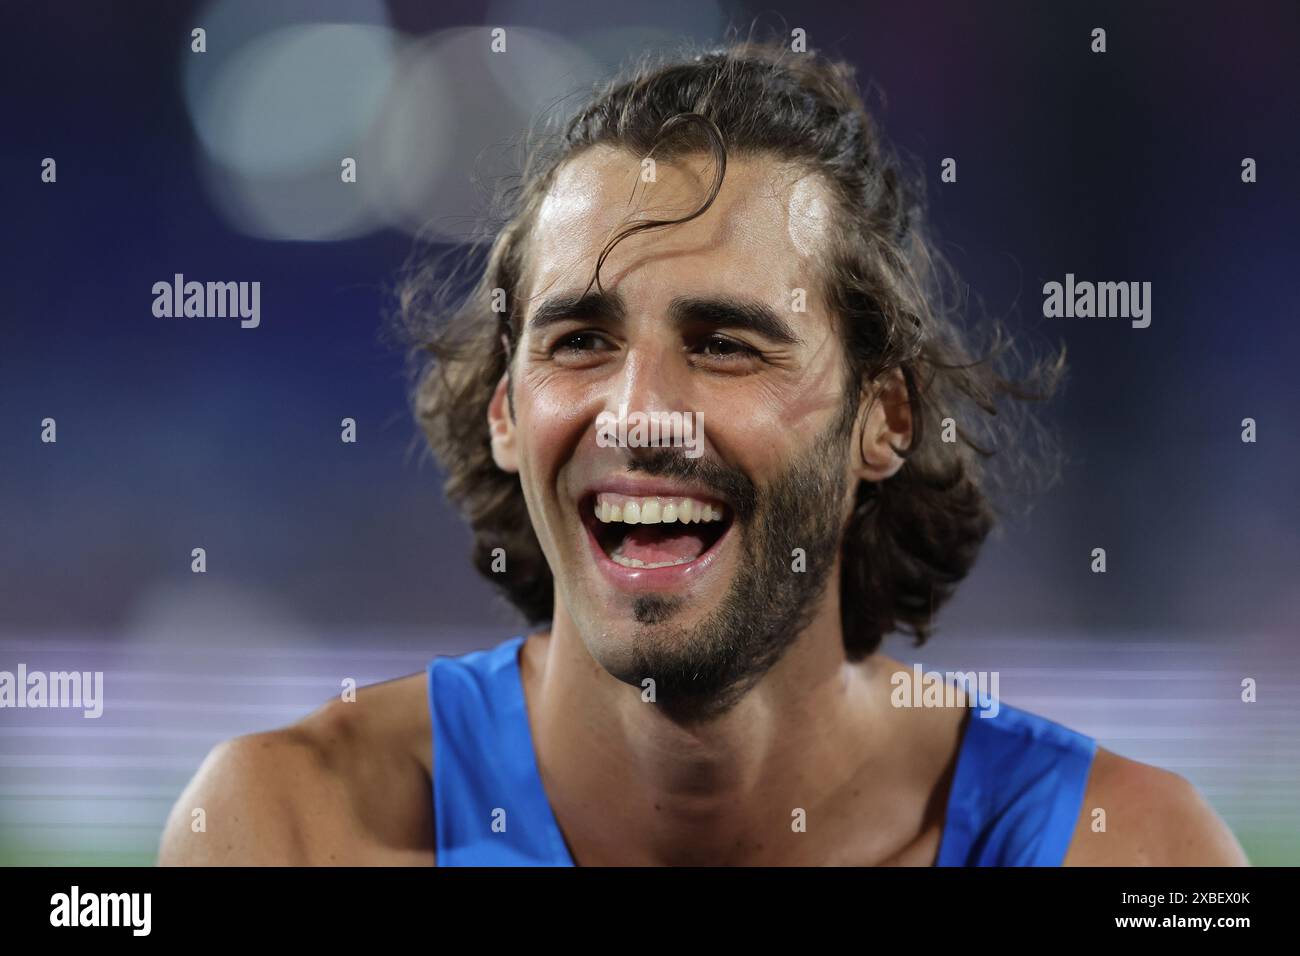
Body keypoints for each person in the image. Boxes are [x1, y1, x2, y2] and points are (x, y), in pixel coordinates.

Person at [160, 41, 1246, 866]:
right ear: (504, 410)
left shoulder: (1128, 850)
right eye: (580, 341)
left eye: (725, 344)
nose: (640, 415)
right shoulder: (287, 828)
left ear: (886, 419)